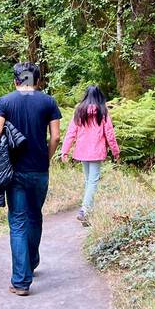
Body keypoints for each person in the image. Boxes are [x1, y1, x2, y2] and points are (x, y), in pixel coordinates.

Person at [0, 62, 61, 296]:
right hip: (40, 170)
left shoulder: (5, 102)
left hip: (15, 171)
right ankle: (31, 261)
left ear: (16, 81)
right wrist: (46, 157)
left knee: (18, 221)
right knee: (34, 215)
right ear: (37, 81)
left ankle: (21, 281)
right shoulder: (48, 102)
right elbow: (56, 137)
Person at [60, 85, 119, 226]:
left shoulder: (79, 111)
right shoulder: (103, 112)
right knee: (92, 181)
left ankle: (88, 211)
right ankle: (84, 210)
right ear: (99, 96)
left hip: (82, 151)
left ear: (86, 95)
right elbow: (109, 134)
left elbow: (71, 132)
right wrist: (116, 151)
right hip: (97, 151)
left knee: (88, 180)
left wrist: (65, 150)